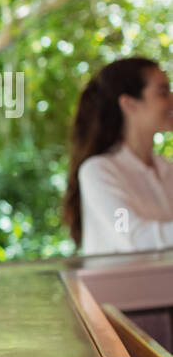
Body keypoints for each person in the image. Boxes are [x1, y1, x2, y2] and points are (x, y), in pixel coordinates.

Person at [63, 58, 173, 255]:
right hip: (119, 287)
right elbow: (135, 238)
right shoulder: (98, 172)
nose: (172, 99)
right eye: (163, 92)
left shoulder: (167, 169)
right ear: (129, 104)